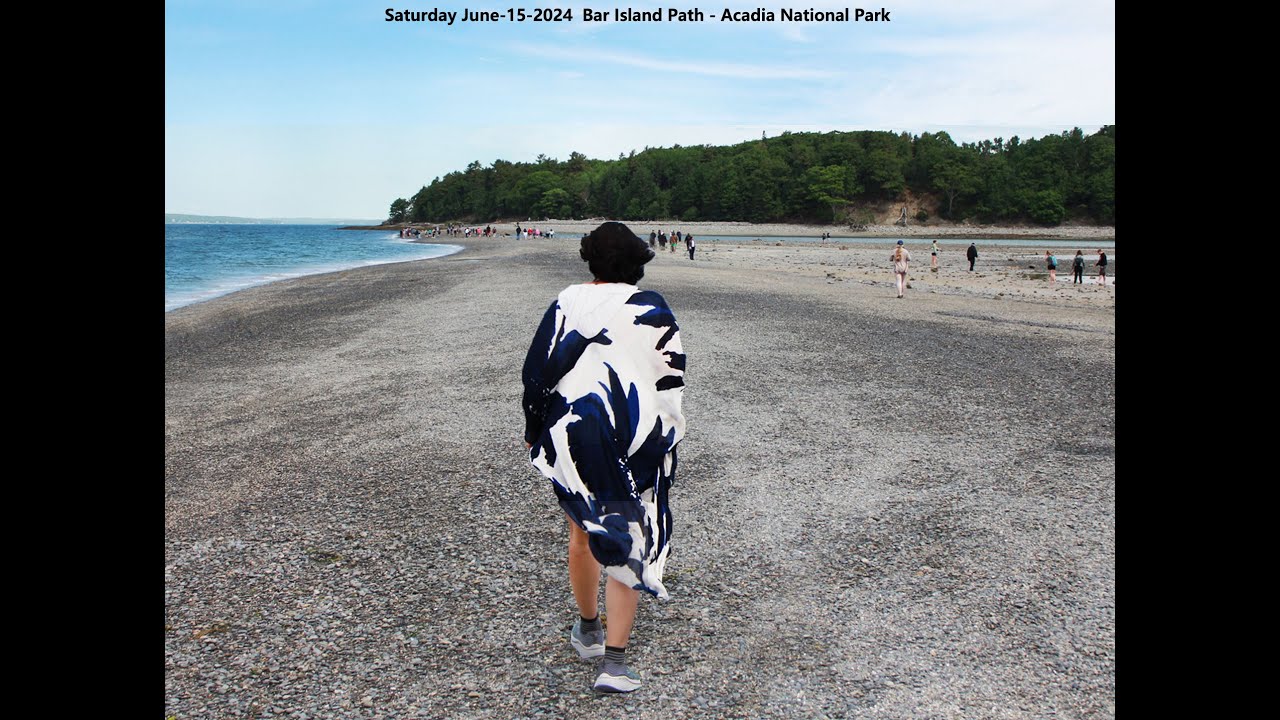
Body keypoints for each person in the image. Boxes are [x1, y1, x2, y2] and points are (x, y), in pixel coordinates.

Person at [522, 221, 686, 694]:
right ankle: (614, 664)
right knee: (626, 533)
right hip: (633, 434)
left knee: (582, 531)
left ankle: (589, 630)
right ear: (636, 263)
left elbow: (538, 370)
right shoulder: (652, 306)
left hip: (572, 434)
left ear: (591, 259)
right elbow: (671, 375)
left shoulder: (568, 300)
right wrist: (665, 437)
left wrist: (535, 430)